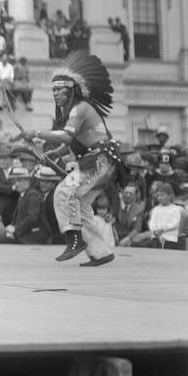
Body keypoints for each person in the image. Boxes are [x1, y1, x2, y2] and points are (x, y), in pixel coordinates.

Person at [28, 51, 127, 266]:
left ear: (71, 89)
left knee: (63, 193)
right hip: (101, 162)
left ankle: (74, 240)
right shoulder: (76, 111)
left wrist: (37, 133)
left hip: (99, 161)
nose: (55, 94)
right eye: (53, 90)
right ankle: (100, 253)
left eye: (59, 89)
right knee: (80, 205)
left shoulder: (80, 108)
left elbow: (67, 135)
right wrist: (56, 153)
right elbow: (73, 142)